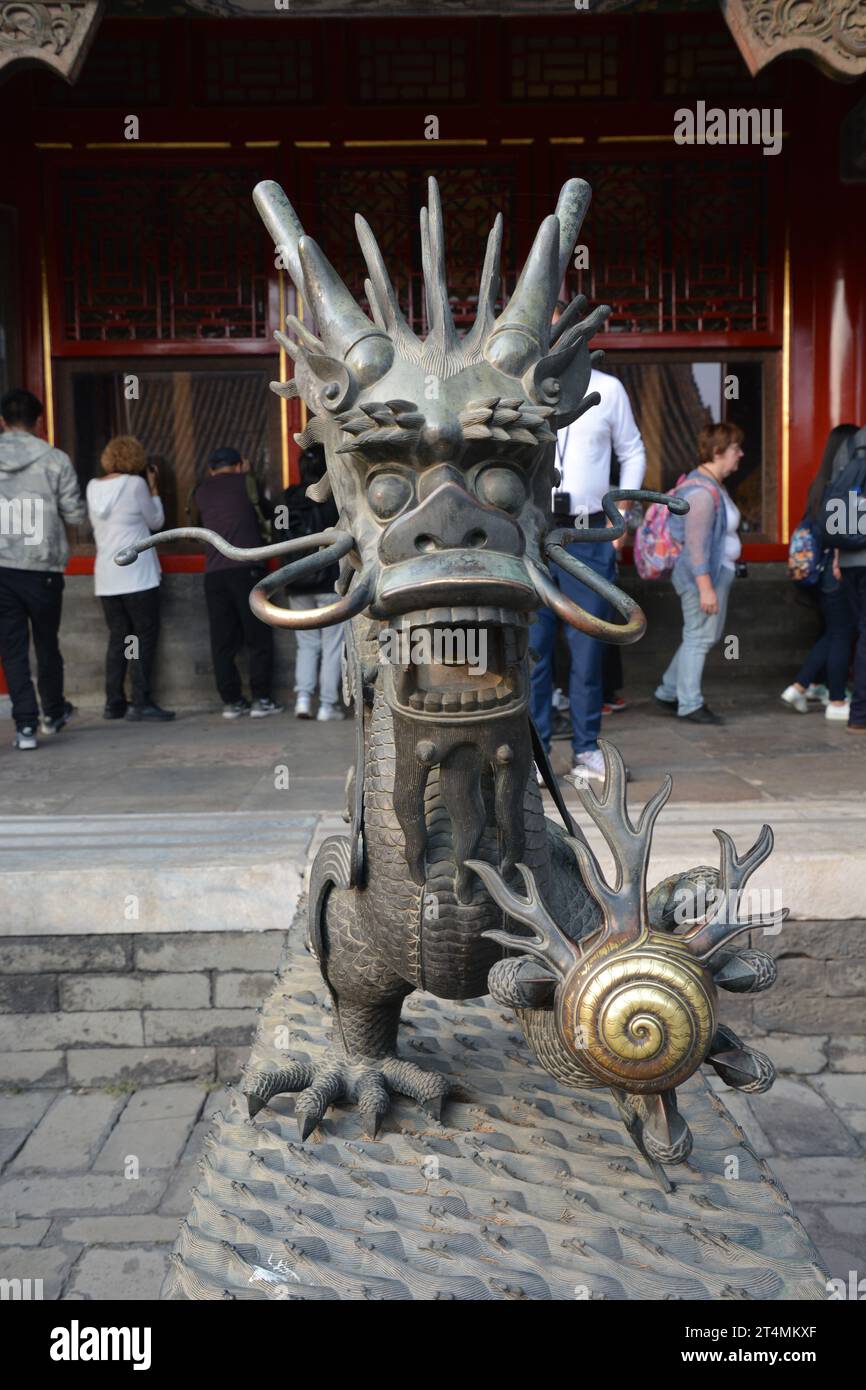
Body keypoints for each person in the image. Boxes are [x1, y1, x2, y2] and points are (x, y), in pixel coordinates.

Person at [530, 354, 646, 784]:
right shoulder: (524, 384)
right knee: (534, 650)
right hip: (536, 531)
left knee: (589, 649)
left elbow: (632, 451)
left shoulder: (608, 388)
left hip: (589, 532)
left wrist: (623, 514)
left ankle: (586, 749)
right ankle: (537, 753)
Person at [0, 388, 84, 751]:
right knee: (47, 643)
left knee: (13, 648)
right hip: (43, 566)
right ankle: (53, 712)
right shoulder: (56, 460)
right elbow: (76, 515)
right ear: (37, 421)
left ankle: (25, 727)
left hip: (2, 567)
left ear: (2, 421)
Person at [654, 421, 744, 725]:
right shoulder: (701, 493)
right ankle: (690, 703)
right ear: (718, 451)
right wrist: (706, 587)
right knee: (699, 637)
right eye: (735, 448)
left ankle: (668, 691)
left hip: (711, 575)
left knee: (701, 634)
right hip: (701, 578)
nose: (740, 454)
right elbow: (695, 546)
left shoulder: (711, 485)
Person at [86, 435, 175, 723]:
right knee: (143, 638)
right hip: (137, 575)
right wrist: (153, 489)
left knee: (118, 638)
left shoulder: (92, 487)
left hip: (106, 575)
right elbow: (156, 522)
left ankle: (113, 703)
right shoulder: (136, 485)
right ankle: (141, 701)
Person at [193, 445, 283, 719]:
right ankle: (261, 699)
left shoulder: (200, 490)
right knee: (258, 638)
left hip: (214, 574)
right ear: (240, 464)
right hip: (248, 569)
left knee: (222, 642)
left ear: (211, 469)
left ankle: (231, 702)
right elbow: (272, 515)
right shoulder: (249, 483)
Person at [780, 424, 857, 722]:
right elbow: (838, 534)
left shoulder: (820, 483)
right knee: (841, 633)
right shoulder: (844, 483)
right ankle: (835, 701)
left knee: (833, 632)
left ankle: (805, 685)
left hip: (817, 572)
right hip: (835, 571)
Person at [279, 446, 346, 721]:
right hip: (328, 582)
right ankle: (327, 706)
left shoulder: (287, 498)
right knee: (332, 645)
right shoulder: (333, 498)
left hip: (296, 580)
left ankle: (303, 699)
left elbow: (278, 534)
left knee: (306, 644)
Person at [835, 423, 866, 734]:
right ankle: (860, 713)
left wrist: (837, 555)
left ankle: (859, 713)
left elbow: (837, 501)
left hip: (849, 557)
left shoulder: (850, 445)